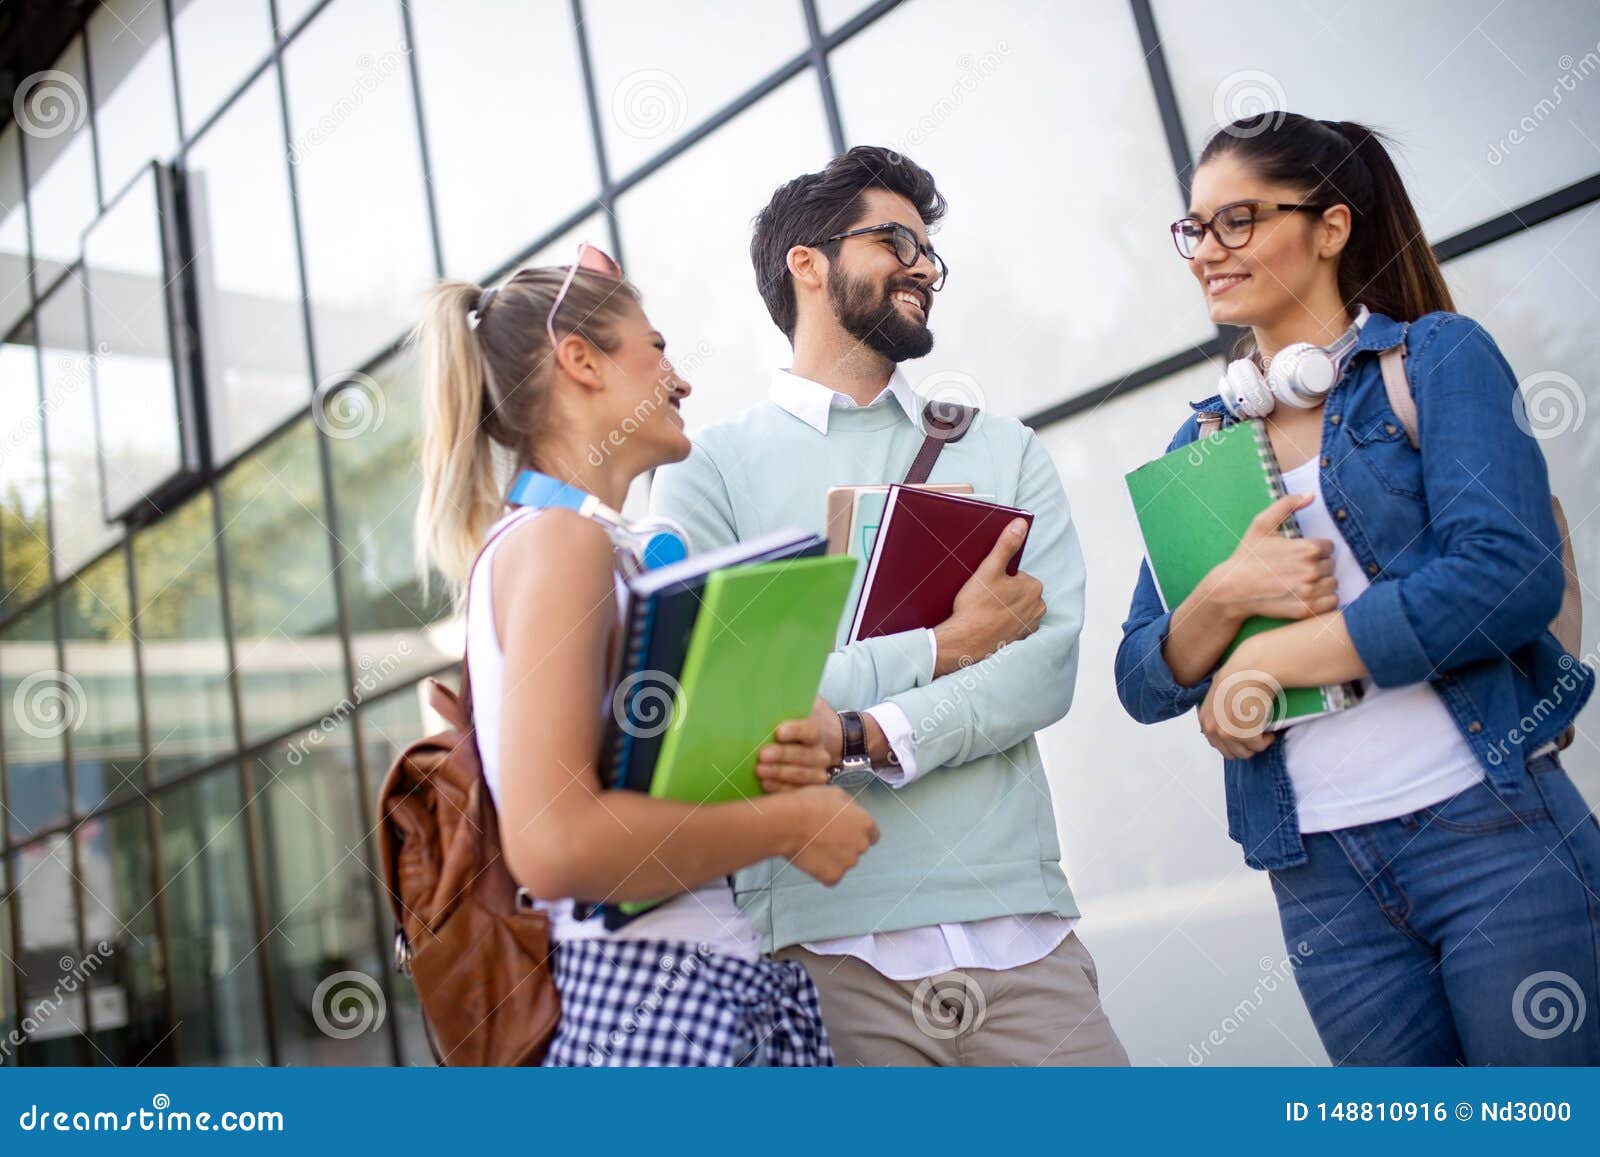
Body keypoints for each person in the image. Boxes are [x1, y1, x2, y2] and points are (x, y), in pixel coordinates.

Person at [1116, 112, 1600, 1065]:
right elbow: (1142, 675)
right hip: (1322, 878)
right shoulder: (1203, 444)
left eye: (1239, 220)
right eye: (1195, 228)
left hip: (1491, 834)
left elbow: (1506, 575)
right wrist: (1221, 607)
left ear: (1331, 227)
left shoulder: (1439, 359)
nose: (1207, 251)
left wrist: (1274, 655)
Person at [652, 146, 1128, 1066]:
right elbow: (734, 700)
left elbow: (1044, 666)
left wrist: (862, 730)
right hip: (821, 951)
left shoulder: (1004, 449)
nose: (923, 265)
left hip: (1022, 932)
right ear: (808, 262)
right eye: (895, 239)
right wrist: (944, 646)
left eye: (929, 249)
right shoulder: (707, 473)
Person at [412, 249, 880, 1066]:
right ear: (580, 359)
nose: (680, 378)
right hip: (655, 1005)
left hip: (685, 990)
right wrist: (789, 823)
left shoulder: (574, 542)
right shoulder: (561, 543)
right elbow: (554, 843)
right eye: (656, 346)